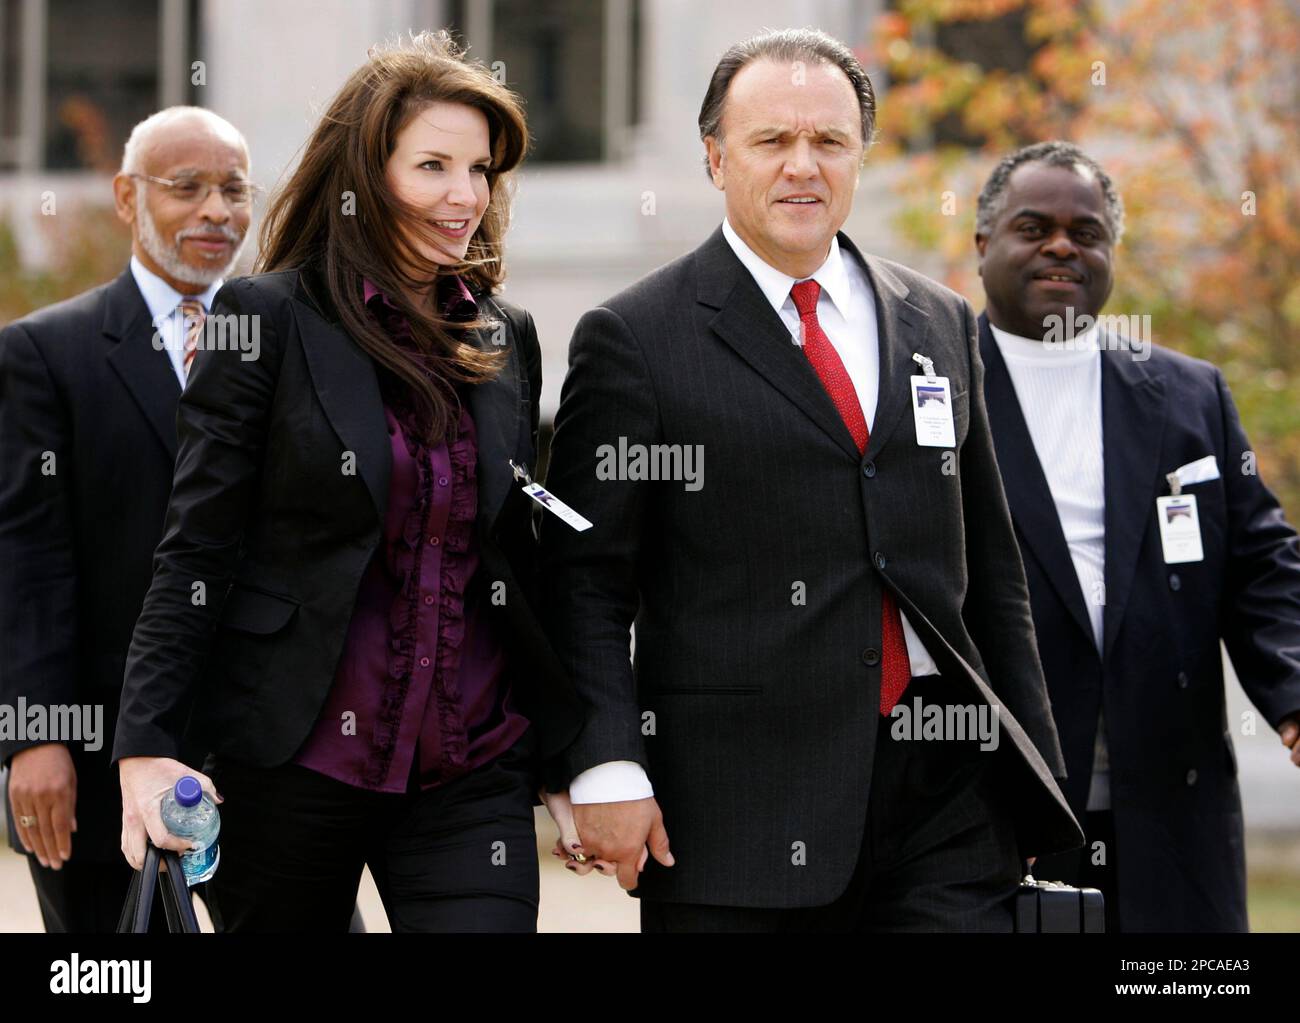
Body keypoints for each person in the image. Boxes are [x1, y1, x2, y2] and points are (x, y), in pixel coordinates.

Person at [540, 28, 1081, 932]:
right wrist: (606, 764)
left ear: (859, 155)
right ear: (715, 157)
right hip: (738, 815)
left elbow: (992, 571)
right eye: (772, 141)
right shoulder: (633, 339)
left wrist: (1032, 775)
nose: (804, 166)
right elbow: (584, 584)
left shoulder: (941, 320)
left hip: (945, 795)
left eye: (829, 141)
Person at [112, 31, 585, 933]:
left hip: (468, 763)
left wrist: (571, 751)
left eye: (480, 169)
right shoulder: (266, 318)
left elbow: (521, 564)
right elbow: (196, 547)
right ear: (366, 175)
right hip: (290, 759)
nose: (465, 196)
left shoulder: (504, 334)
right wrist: (145, 746)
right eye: (434, 165)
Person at [974, 140, 1300, 931]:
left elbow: (1261, 563)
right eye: (1034, 226)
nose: (1061, 245)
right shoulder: (933, 391)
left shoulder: (1191, 396)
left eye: (1086, 232)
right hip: (999, 818)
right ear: (983, 246)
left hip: (1173, 819)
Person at [0, 107, 252, 932]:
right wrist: (33, 736)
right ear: (124, 196)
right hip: (99, 744)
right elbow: (27, 557)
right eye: (188, 188)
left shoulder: (284, 344)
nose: (216, 210)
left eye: (233, 189)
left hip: (265, 740)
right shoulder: (44, 354)